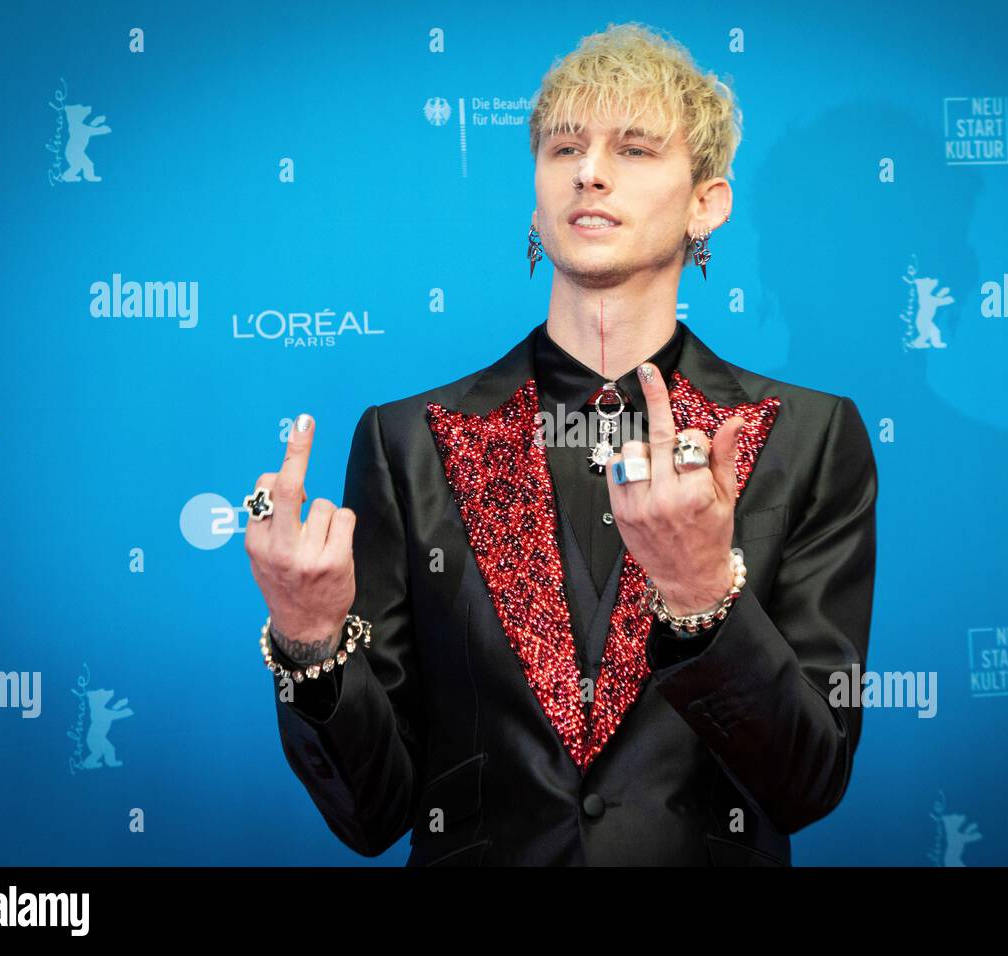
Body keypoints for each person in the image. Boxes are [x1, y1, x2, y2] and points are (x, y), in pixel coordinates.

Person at [243, 22, 878, 866]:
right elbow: (375, 812)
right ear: (537, 199)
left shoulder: (810, 437)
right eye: (564, 147)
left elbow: (808, 781)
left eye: (637, 149)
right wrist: (310, 639)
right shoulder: (409, 443)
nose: (590, 170)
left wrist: (696, 594)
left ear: (707, 204)